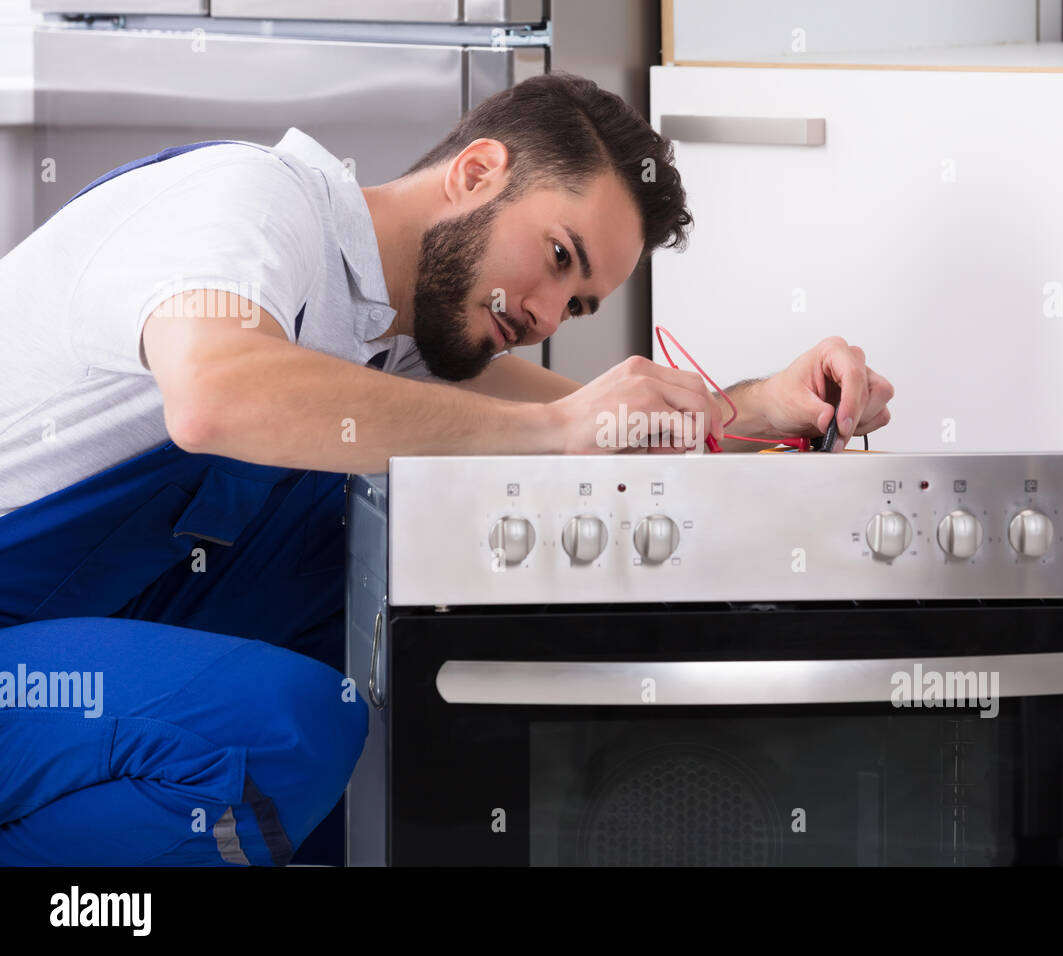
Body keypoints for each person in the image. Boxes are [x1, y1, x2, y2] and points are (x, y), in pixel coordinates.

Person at [0, 72, 894, 865]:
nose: (547, 315)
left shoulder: (388, 341)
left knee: (412, 596)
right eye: (556, 258)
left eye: (577, 305)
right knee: (283, 726)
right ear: (476, 174)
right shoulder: (249, 204)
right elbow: (215, 394)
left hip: (74, 627)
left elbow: (606, 428)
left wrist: (764, 407)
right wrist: (554, 432)